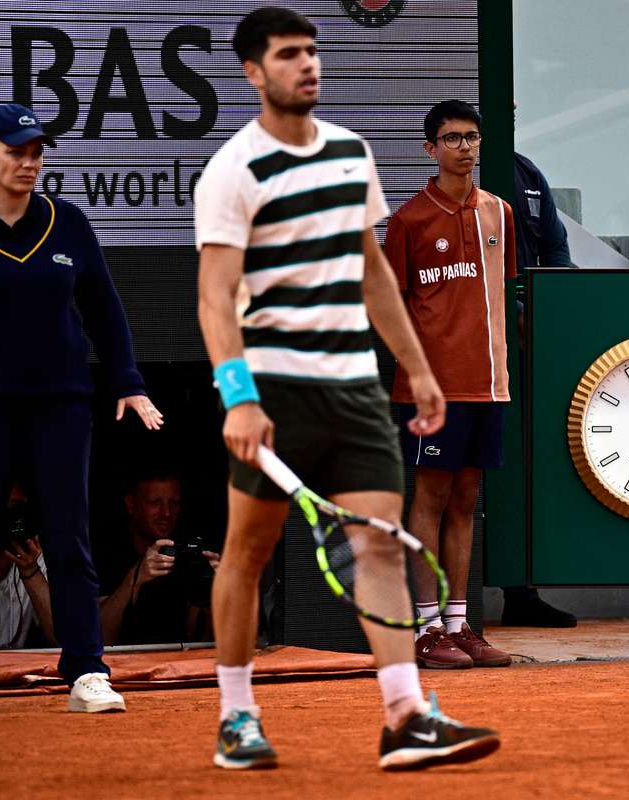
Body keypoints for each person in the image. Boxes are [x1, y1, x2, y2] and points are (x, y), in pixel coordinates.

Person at [195, 8, 499, 771]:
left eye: (312, 51)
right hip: (274, 389)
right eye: (289, 54)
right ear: (253, 73)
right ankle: (237, 717)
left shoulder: (348, 153)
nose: (308, 64)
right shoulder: (234, 170)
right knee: (248, 551)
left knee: (379, 546)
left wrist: (418, 369)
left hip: (357, 394)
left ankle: (405, 716)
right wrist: (237, 394)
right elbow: (213, 295)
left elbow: (371, 274)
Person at [0, 103, 162, 718]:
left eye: (36, 152)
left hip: (58, 405)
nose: (28, 162)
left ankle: (87, 670)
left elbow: (104, 310)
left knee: (69, 538)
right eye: (16, 151)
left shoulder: (68, 224)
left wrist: (128, 380)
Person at [384, 100, 515, 668]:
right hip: (433, 390)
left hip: (490, 385)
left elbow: (499, 293)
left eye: (472, 137)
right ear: (429, 149)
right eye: (452, 138)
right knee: (430, 498)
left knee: (467, 499)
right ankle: (424, 627)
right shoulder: (408, 220)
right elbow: (388, 307)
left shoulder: (501, 214)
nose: (465, 147)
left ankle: (460, 625)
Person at [501, 147, 577, 628]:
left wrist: (542, 309)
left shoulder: (527, 172)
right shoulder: (461, 173)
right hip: (475, 346)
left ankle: (520, 592)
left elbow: (557, 249)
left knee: (524, 467)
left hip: (528, 348)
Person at [97, 471, 219, 645]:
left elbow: (205, 641)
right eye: (155, 503)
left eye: (174, 503)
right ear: (131, 504)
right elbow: (98, 639)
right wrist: (135, 578)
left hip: (179, 665)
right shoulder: (107, 553)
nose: (166, 513)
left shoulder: (189, 551)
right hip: (120, 666)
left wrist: (219, 591)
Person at [0, 486, 55, 650]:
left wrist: (30, 572)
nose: (14, 518)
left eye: (19, 507)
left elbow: (62, 639)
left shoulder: (32, 556)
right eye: (9, 507)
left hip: (12, 670)